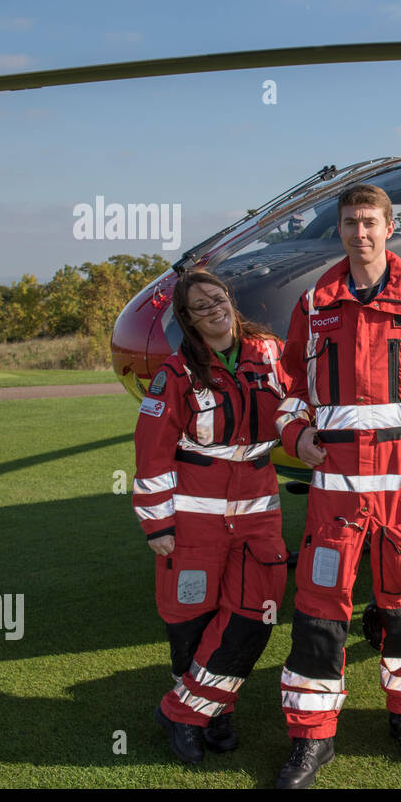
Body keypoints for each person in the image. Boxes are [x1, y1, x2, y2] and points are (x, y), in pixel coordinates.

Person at [272, 183, 401, 789]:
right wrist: (295, 435)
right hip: (335, 493)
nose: (360, 233)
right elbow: (286, 389)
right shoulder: (314, 302)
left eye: (370, 222)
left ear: (392, 228)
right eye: (350, 222)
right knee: (318, 612)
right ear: (339, 229)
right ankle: (312, 740)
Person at [131, 269, 290, 765]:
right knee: (191, 620)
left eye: (216, 298)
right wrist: (158, 524)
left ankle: (182, 712)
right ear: (187, 318)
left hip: (258, 513)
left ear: (230, 299)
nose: (213, 310)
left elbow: (304, 400)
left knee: (254, 615)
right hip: (194, 517)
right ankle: (214, 714)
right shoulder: (175, 375)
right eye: (199, 306)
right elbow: (152, 453)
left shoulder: (270, 354)